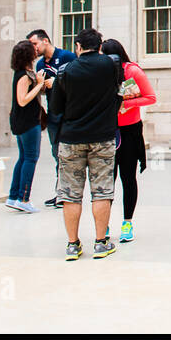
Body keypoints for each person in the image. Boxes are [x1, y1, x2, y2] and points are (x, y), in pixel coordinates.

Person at [50, 27, 122, 261]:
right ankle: (101, 242)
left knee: (71, 193)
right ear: (100, 46)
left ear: (78, 47)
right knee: (102, 191)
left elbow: (56, 109)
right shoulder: (111, 65)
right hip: (102, 136)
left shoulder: (65, 71)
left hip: (72, 138)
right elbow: (119, 91)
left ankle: (73, 244)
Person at [99, 38, 155, 244]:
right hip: (107, 130)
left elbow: (150, 97)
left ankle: (127, 222)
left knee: (128, 178)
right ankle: (103, 223)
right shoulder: (102, 73)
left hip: (130, 130)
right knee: (107, 180)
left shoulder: (133, 71)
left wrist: (127, 102)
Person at [28, 28, 76, 208]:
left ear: (45, 41)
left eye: (35, 43)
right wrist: (40, 86)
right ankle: (60, 192)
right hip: (53, 114)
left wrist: (57, 82)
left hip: (69, 113)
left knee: (68, 155)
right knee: (57, 154)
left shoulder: (67, 57)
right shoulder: (40, 65)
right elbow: (43, 90)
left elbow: (77, 79)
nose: (33, 48)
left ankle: (67, 193)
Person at [7, 40, 47, 212]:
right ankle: (24, 198)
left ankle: (14, 196)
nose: (36, 49)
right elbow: (22, 100)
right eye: (33, 49)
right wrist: (38, 84)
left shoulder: (26, 72)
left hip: (24, 121)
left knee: (24, 157)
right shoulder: (23, 75)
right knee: (30, 157)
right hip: (27, 121)